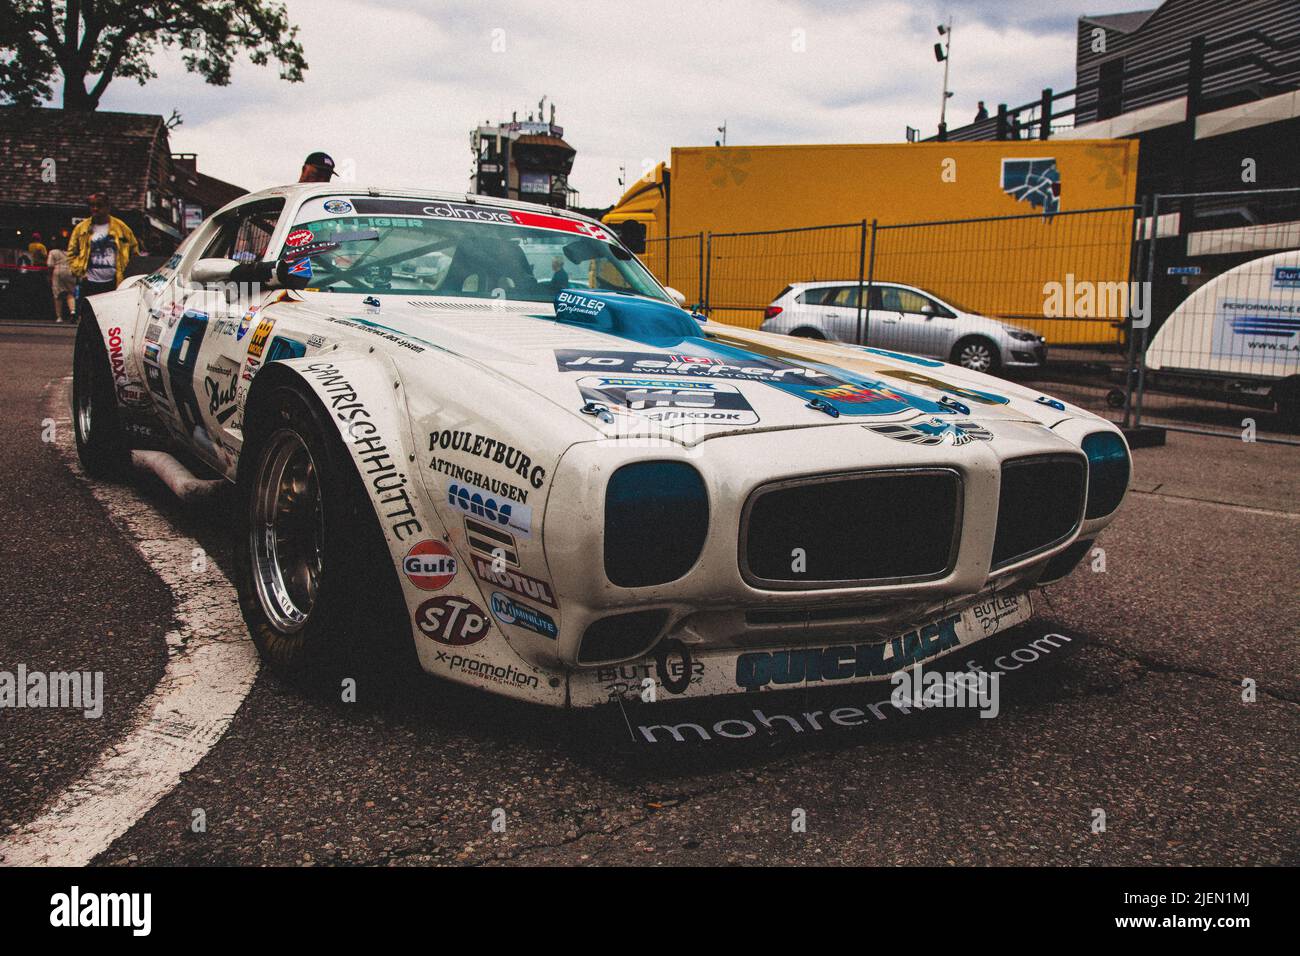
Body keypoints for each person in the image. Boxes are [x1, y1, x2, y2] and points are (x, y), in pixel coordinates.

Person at [67, 193, 142, 308]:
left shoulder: (122, 228)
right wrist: (79, 272)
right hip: (89, 281)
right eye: (92, 205)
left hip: (114, 282)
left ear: (108, 207)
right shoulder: (81, 228)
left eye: (99, 205)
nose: (95, 208)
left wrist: (127, 276)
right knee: (88, 316)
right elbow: (71, 252)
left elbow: (134, 253)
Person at [47, 247, 76, 323]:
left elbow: (50, 265)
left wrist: (49, 276)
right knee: (70, 293)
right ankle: (72, 311)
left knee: (58, 295)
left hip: (58, 272)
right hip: (70, 272)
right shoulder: (72, 252)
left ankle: (59, 317)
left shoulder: (53, 252)